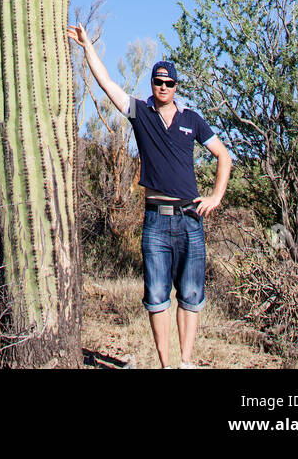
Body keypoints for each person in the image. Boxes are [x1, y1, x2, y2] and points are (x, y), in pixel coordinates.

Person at [68, 24, 232, 369]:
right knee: (157, 296)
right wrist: (87, 47)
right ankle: (165, 364)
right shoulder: (140, 113)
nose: (163, 87)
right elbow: (107, 84)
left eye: (169, 83)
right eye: (158, 82)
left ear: (176, 86)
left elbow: (224, 156)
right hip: (156, 220)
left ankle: (186, 362)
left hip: (191, 218)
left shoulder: (192, 119)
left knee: (191, 296)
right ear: (152, 85)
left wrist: (216, 196)